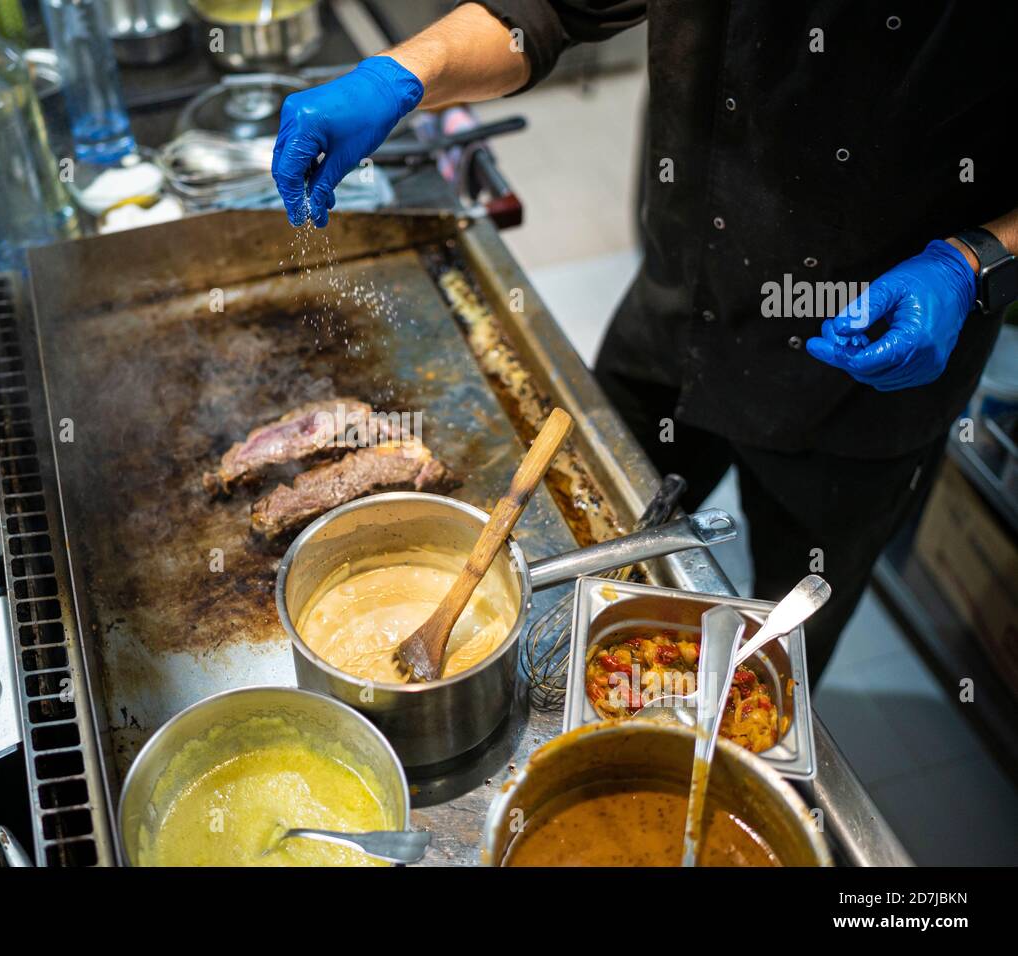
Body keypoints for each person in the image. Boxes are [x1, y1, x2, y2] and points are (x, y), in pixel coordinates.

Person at [270, 1, 1018, 676]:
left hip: (871, 366)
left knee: (778, 652)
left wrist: (975, 261)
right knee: (581, 561)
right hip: (678, 312)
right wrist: (403, 72)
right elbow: (548, 12)